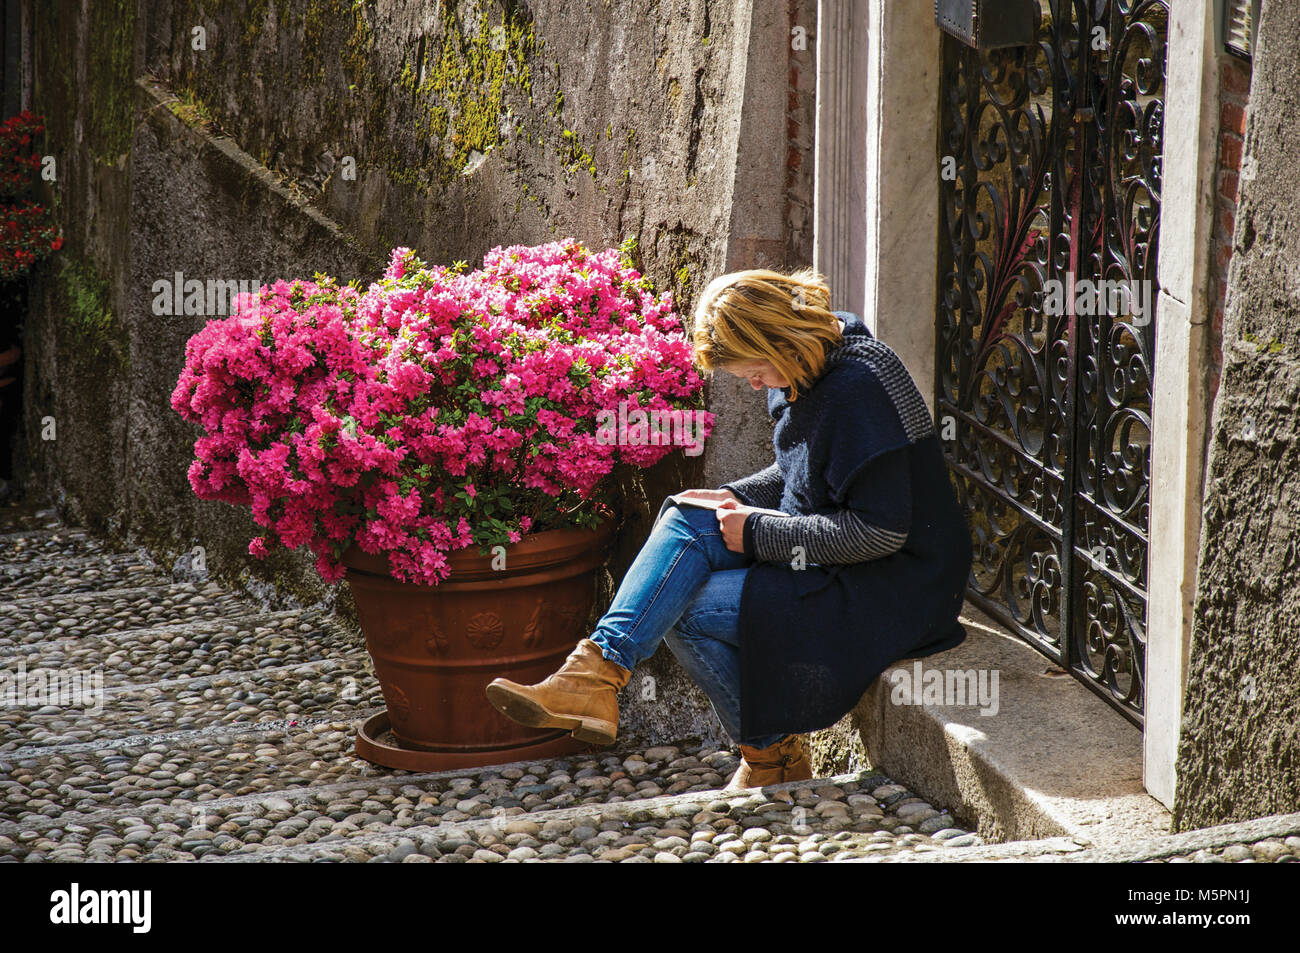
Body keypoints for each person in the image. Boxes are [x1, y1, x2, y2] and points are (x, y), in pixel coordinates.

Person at [485, 267, 972, 790]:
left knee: (686, 608)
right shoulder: (807, 366)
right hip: (833, 548)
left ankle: (772, 759)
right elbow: (800, 470)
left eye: (752, 371)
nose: (754, 384)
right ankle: (594, 673)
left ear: (776, 338)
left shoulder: (859, 387)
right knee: (685, 515)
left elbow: (879, 533)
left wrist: (759, 533)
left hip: (897, 583)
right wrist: (738, 497)